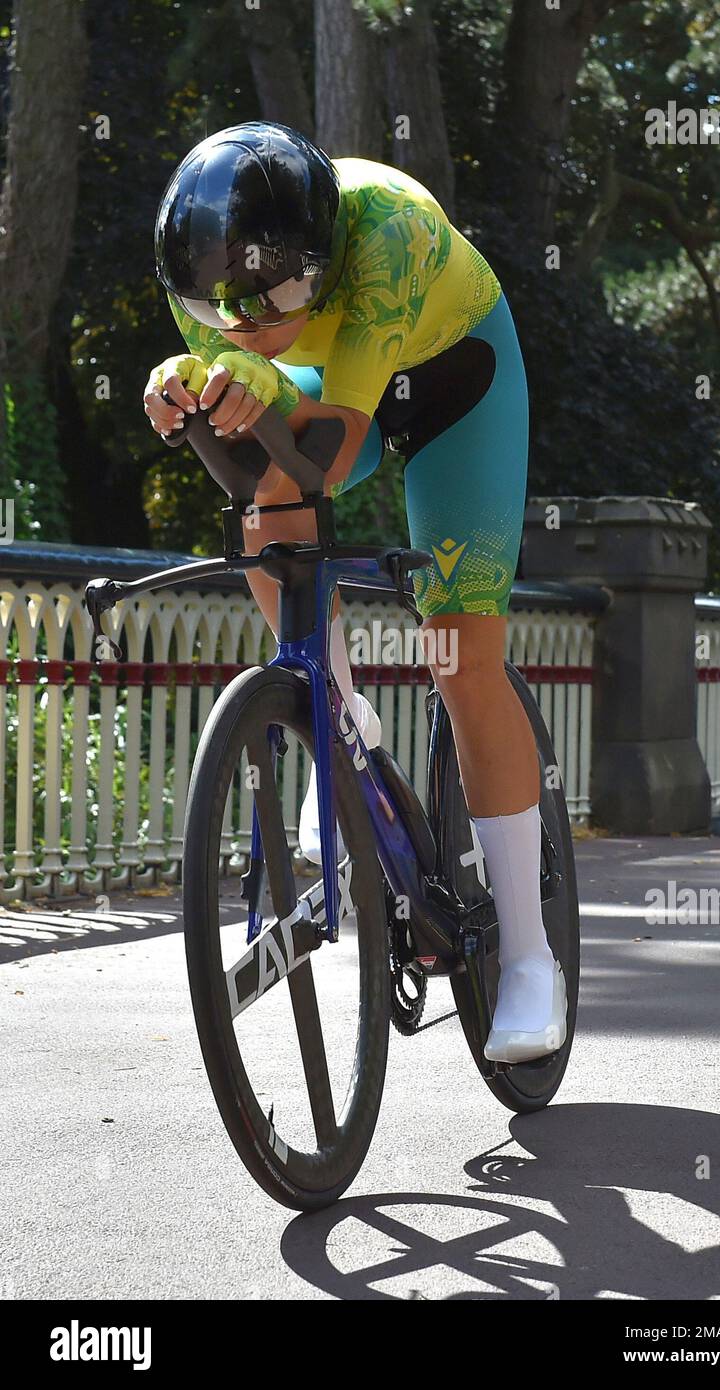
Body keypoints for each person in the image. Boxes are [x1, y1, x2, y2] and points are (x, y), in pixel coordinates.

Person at [144, 121, 566, 1064]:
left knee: (461, 662)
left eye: (274, 296)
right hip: (323, 383)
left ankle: (534, 961)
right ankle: (334, 713)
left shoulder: (386, 234)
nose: (241, 324)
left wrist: (255, 383)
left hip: (459, 385)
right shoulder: (208, 280)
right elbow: (262, 462)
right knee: (265, 500)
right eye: (217, 314)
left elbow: (330, 451)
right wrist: (188, 403)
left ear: (316, 262)